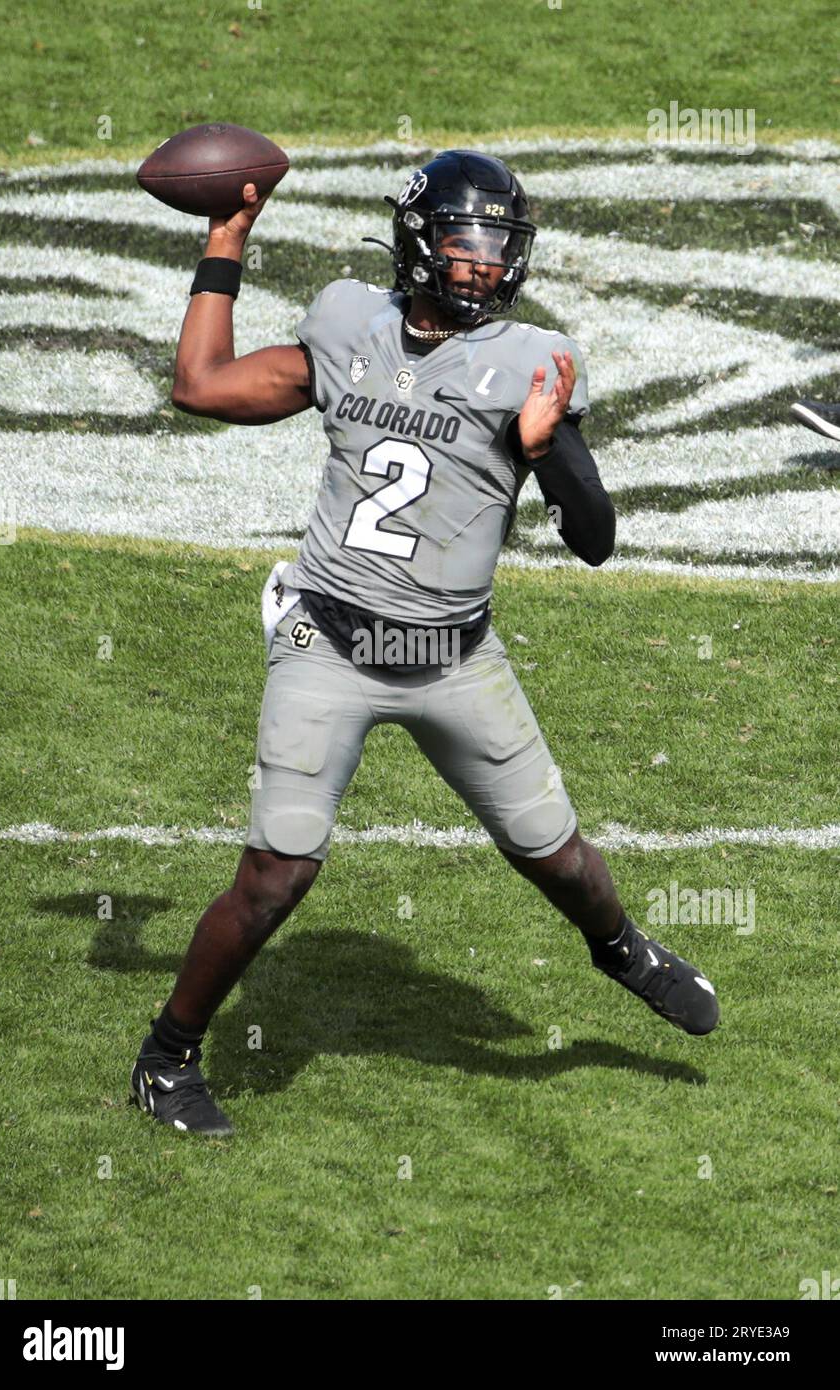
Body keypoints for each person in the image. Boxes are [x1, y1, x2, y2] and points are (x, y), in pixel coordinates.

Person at [131, 151, 719, 1136]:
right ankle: (165, 1059)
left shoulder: (530, 360)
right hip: (330, 639)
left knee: (557, 856)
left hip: (453, 657)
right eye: (465, 240)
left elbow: (597, 538)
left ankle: (622, 950)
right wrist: (225, 240)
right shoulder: (348, 323)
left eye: (498, 245)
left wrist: (541, 449)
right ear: (419, 241)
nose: (484, 263)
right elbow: (198, 386)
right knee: (277, 872)